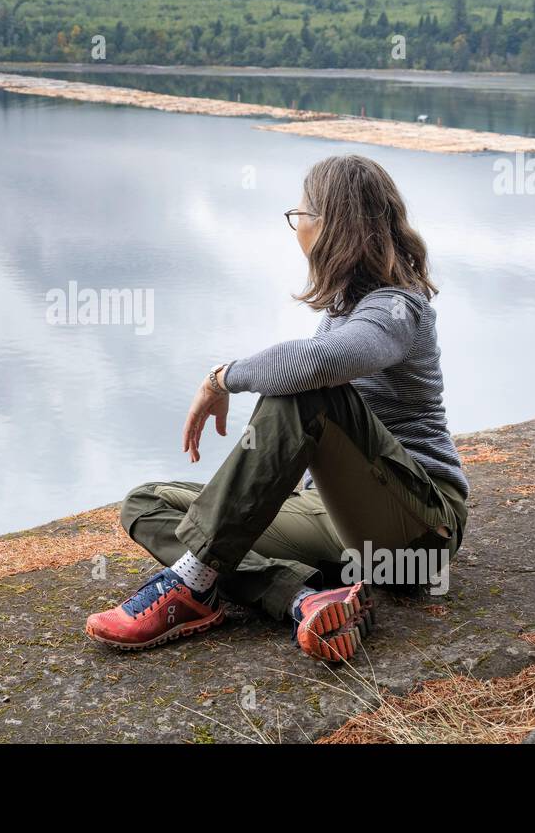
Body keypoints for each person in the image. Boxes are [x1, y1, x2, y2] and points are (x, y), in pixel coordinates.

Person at [86, 154, 469, 663]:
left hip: (416, 536)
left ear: (333, 225)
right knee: (147, 504)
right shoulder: (342, 312)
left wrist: (222, 378)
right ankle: (303, 600)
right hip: (339, 524)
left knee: (308, 389)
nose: (297, 227)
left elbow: (324, 363)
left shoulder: (398, 307)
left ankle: (193, 585)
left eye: (301, 214)